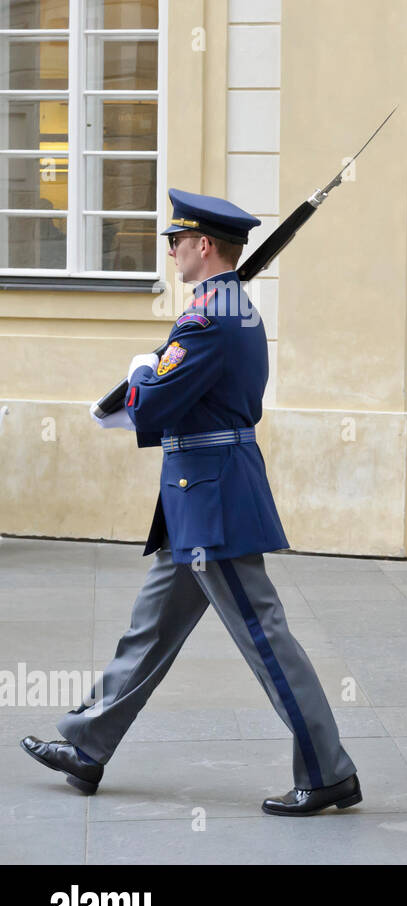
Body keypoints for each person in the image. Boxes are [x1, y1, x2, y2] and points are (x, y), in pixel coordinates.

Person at [21, 189, 361, 817]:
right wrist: (154, 374)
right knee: (149, 632)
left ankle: (327, 769)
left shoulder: (209, 316)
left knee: (265, 637)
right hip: (197, 493)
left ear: (204, 245)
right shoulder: (230, 306)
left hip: (212, 498)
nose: (171, 250)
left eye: (176, 241)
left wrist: (143, 373)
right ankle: (88, 745)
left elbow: (153, 404)